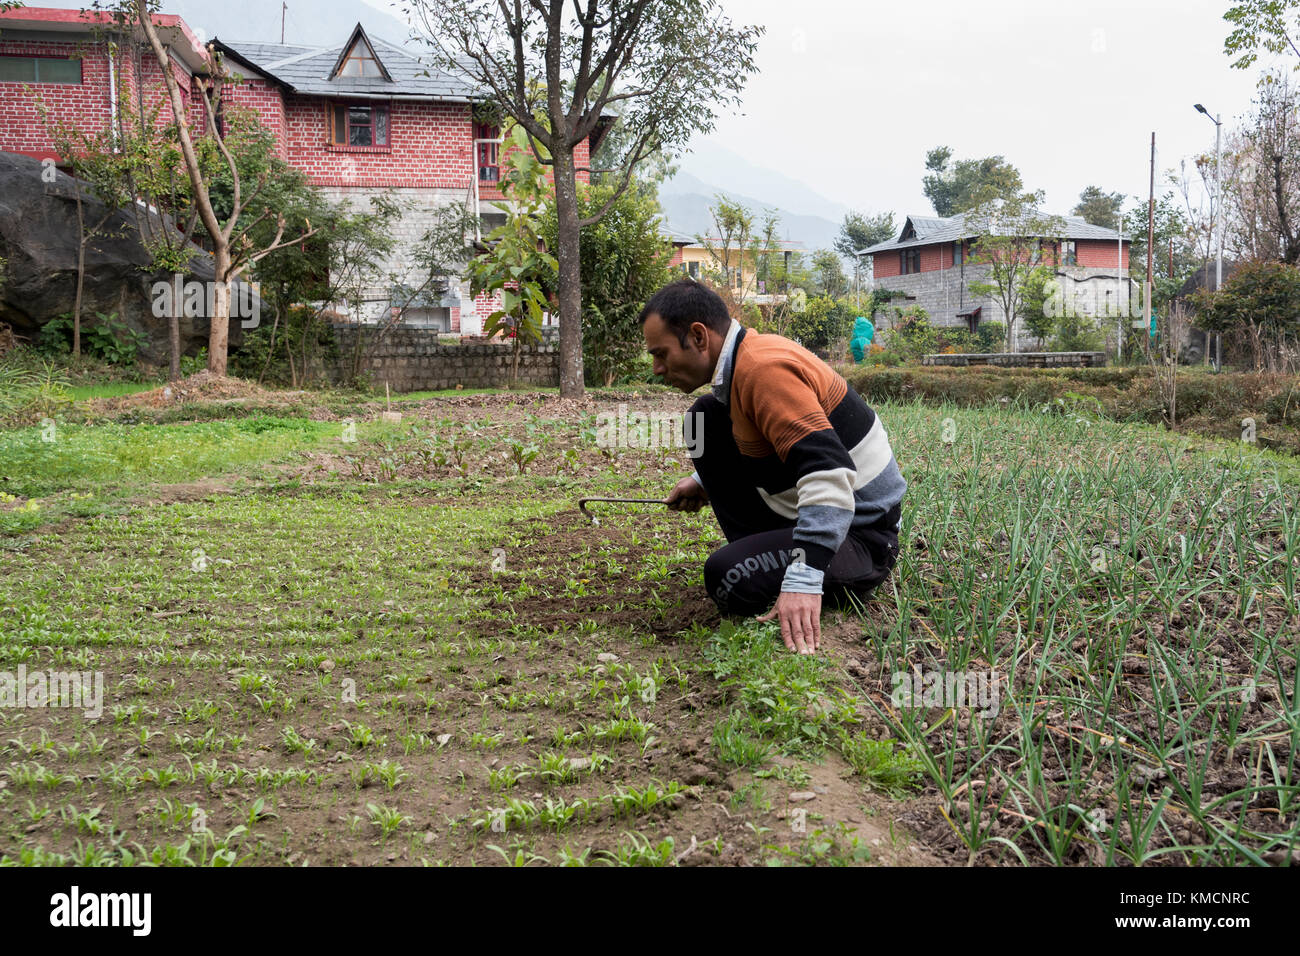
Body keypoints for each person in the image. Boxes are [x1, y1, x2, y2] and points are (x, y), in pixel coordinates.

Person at [640, 279, 906, 656]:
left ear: (699, 336)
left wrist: (803, 577)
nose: (656, 368)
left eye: (661, 353)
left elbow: (829, 473)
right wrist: (704, 482)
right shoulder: (744, 363)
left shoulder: (763, 370)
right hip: (823, 510)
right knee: (705, 419)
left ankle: (797, 565)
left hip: (862, 535)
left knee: (727, 577)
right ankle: (771, 555)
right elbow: (769, 436)